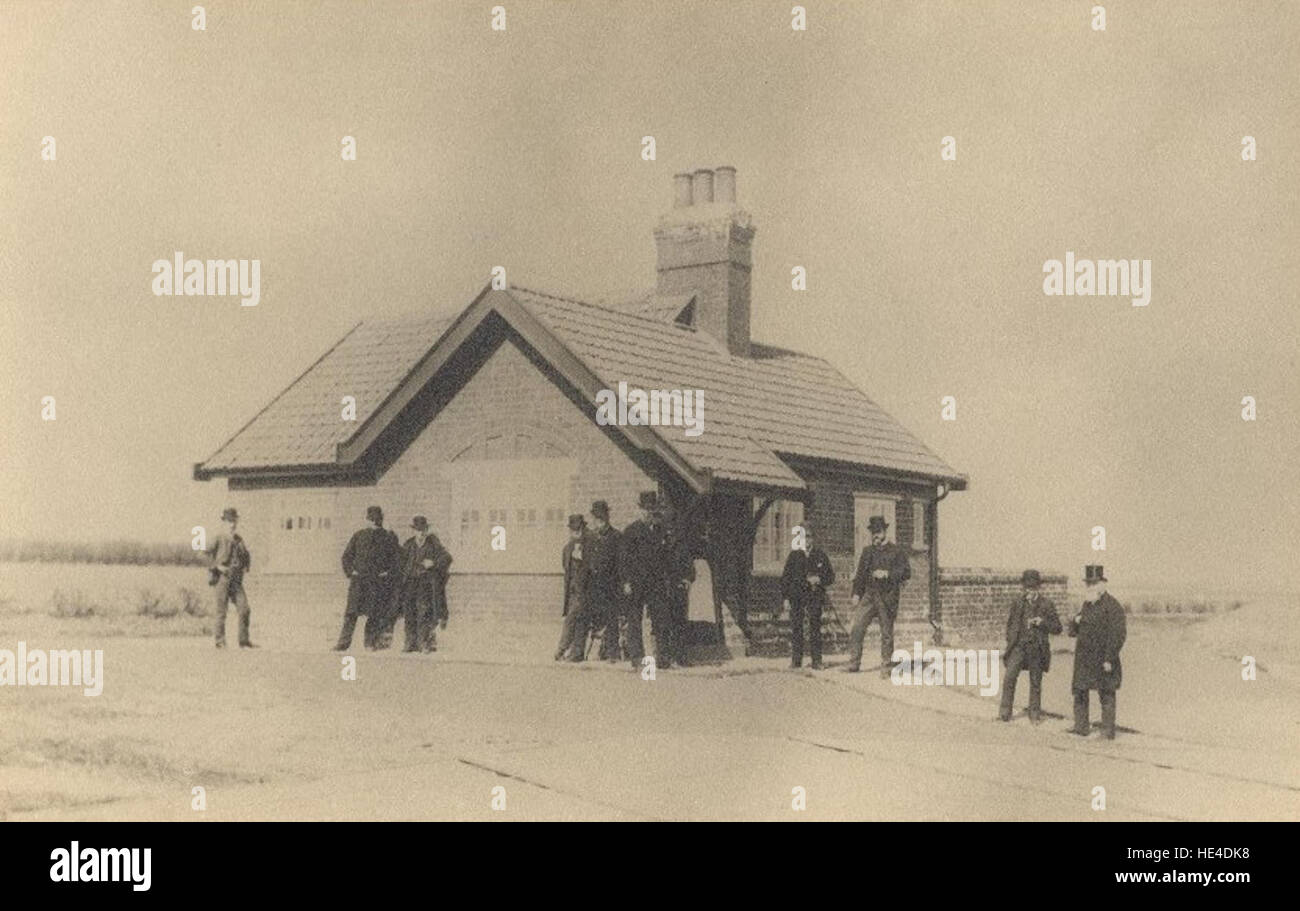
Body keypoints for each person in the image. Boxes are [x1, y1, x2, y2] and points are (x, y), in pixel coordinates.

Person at [846, 514, 911, 676]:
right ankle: (854, 662)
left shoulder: (896, 551)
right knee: (857, 627)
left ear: (885, 532)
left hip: (887, 596)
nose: (876, 535)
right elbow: (860, 575)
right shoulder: (867, 551)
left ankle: (886, 666)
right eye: (873, 532)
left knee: (886, 632)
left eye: (879, 531)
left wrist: (887, 574)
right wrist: (856, 594)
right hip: (869, 595)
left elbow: (906, 572)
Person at [1068, 565, 1127, 739]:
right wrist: (1075, 621)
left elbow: (1118, 635)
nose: (1090, 587)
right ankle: (1081, 727)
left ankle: (1107, 732)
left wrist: (1109, 658)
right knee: (1080, 690)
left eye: (1094, 583)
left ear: (1103, 584)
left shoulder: (1113, 606)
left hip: (1103, 658)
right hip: (1084, 658)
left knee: (1106, 693)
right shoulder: (1087, 604)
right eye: (1088, 584)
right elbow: (1073, 632)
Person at [999, 569, 1062, 722]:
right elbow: (1010, 625)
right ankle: (1005, 713)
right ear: (1023, 588)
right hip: (1018, 647)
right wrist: (1010, 641)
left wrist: (1043, 623)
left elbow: (1058, 628)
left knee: (1035, 682)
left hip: (1037, 648)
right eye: (1027, 588)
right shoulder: (1018, 603)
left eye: (1033, 588)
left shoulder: (1047, 604)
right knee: (1009, 677)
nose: (1030, 591)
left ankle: (1034, 715)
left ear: (1038, 588)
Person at [335, 506, 400, 651]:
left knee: (374, 613)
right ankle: (343, 643)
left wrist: (387, 573)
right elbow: (346, 556)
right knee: (351, 613)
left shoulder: (388, 537)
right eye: (372, 520)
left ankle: (369, 643)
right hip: (359, 582)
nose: (374, 523)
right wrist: (351, 572)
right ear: (368, 520)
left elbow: (396, 560)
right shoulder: (359, 535)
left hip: (376, 582)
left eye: (376, 520)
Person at [619, 491, 669, 670]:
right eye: (645, 510)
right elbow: (623, 560)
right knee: (634, 620)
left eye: (651, 510)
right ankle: (637, 658)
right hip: (636, 583)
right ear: (639, 510)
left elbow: (665, 558)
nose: (648, 513)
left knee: (660, 619)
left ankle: (662, 657)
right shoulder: (631, 531)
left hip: (655, 583)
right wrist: (626, 582)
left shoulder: (661, 531)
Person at [779, 526, 835, 669]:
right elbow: (786, 578)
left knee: (815, 627)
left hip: (814, 596)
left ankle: (817, 661)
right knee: (796, 627)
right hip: (796, 596)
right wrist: (786, 598)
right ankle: (796, 660)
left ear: (813, 539)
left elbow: (831, 576)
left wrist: (819, 578)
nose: (806, 540)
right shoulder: (794, 555)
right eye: (803, 537)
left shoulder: (820, 555)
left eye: (809, 537)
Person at [397, 515, 453, 653]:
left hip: (425, 583)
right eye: (418, 530)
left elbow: (447, 557)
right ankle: (410, 643)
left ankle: (423, 643)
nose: (420, 533)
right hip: (410, 583)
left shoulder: (433, 543)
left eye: (423, 530)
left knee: (424, 612)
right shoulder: (408, 544)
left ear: (426, 530)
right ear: (413, 531)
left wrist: (433, 563)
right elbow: (400, 562)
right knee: (409, 612)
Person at [208, 507, 255, 649]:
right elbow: (203, 554)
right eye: (229, 521)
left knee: (244, 609)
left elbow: (246, 554)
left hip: (236, 581)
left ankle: (244, 641)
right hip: (222, 579)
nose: (232, 524)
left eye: (234, 521)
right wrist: (216, 566)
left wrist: (246, 565)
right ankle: (220, 641)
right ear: (224, 522)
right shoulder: (218, 537)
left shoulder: (239, 539)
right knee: (221, 612)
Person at [586, 500, 623, 661]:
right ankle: (601, 650)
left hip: (611, 585)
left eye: (601, 517)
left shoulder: (616, 536)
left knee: (611, 619)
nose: (599, 521)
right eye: (596, 518)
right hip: (594, 585)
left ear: (607, 517)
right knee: (596, 619)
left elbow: (621, 563)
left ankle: (612, 652)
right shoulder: (591, 537)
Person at [661, 503, 696, 668]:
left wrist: (688, 579)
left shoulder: (682, 544)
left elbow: (689, 567)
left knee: (680, 623)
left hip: (678, 589)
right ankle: (666, 657)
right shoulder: (659, 542)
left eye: (673, 525)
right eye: (668, 525)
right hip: (662, 588)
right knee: (664, 623)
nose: (670, 529)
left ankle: (680, 656)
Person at [556, 514, 594, 661]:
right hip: (572, 593)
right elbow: (567, 571)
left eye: (578, 530)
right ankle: (576, 653)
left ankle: (562, 648)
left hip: (585, 592)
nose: (576, 534)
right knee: (578, 620)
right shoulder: (567, 549)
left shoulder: (590, 546)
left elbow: (592, 569)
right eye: (573, 531)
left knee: (572, 618)